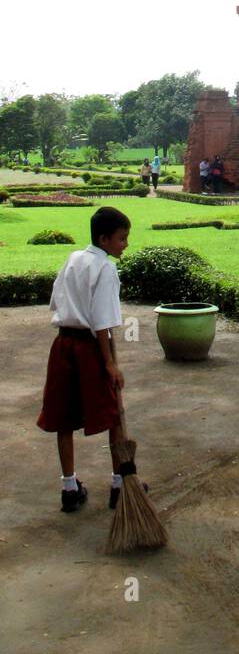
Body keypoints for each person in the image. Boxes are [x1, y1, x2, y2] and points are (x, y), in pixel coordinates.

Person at [37, 206, 132, 513]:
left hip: (63, 344)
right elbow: (103, 323)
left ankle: (69, 487)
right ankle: (120, 484)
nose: (125, 245)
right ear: (104, 239)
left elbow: (55, 301)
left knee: (63, 417)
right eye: (122, 238)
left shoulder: (74, 259)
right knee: (112, 411)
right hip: (89, 349)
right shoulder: (105, 268)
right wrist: (110, 364)